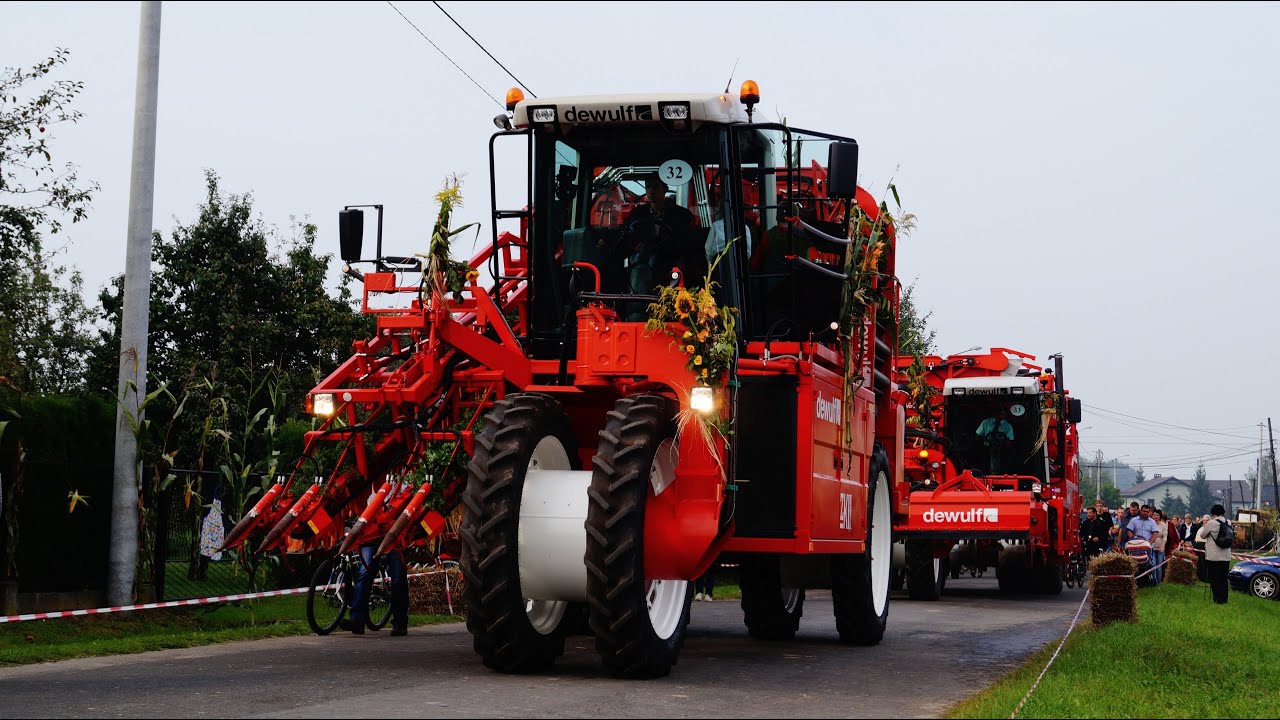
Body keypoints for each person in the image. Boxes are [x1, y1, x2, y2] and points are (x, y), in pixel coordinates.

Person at [619, 173, 704, 305]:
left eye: (655, 187)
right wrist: (636, 245)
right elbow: (627, 236)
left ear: (665, 188)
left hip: (670, 262)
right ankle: (635, 307)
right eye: (648, 187)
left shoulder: (681, 215)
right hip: (643, 263)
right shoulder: (637, 214)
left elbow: (687, 243)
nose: (651, 191)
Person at [1196, 504, 1231, 604]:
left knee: (1215, 578)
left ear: (1213, 513)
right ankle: (1224, 599)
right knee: (1223, 578)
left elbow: (1202, 535)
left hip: (1213, 556)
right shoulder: (1228, 522)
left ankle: (1217, 599)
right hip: (1226, 555)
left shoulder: (1211, 523)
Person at [975, 409, 1014, 474]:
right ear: (995, 414)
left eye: (1003, 415)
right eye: (1000, 414)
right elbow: (977, 436)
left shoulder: (1008, 426)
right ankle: (985, 472)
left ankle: (1001, 473)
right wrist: (978, 438)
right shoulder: (985, 422)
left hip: (1001, 449)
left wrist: (1003, 442)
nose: (1001, 417)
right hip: (986, 448)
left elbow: (1009, 441)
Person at [1149, 509, 1167, 586]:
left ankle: (1158, 584)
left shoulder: (1163, 525)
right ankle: (1154, 581)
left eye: (1157, 515)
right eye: (1154, 515)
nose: (1155, 516)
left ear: (1160, 516)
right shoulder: (1150, 523)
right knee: (1153, 565)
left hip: (1160, 548)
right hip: (1151, 547)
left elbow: (1165, 537)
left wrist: (1162, 547)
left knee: (1159, 566)